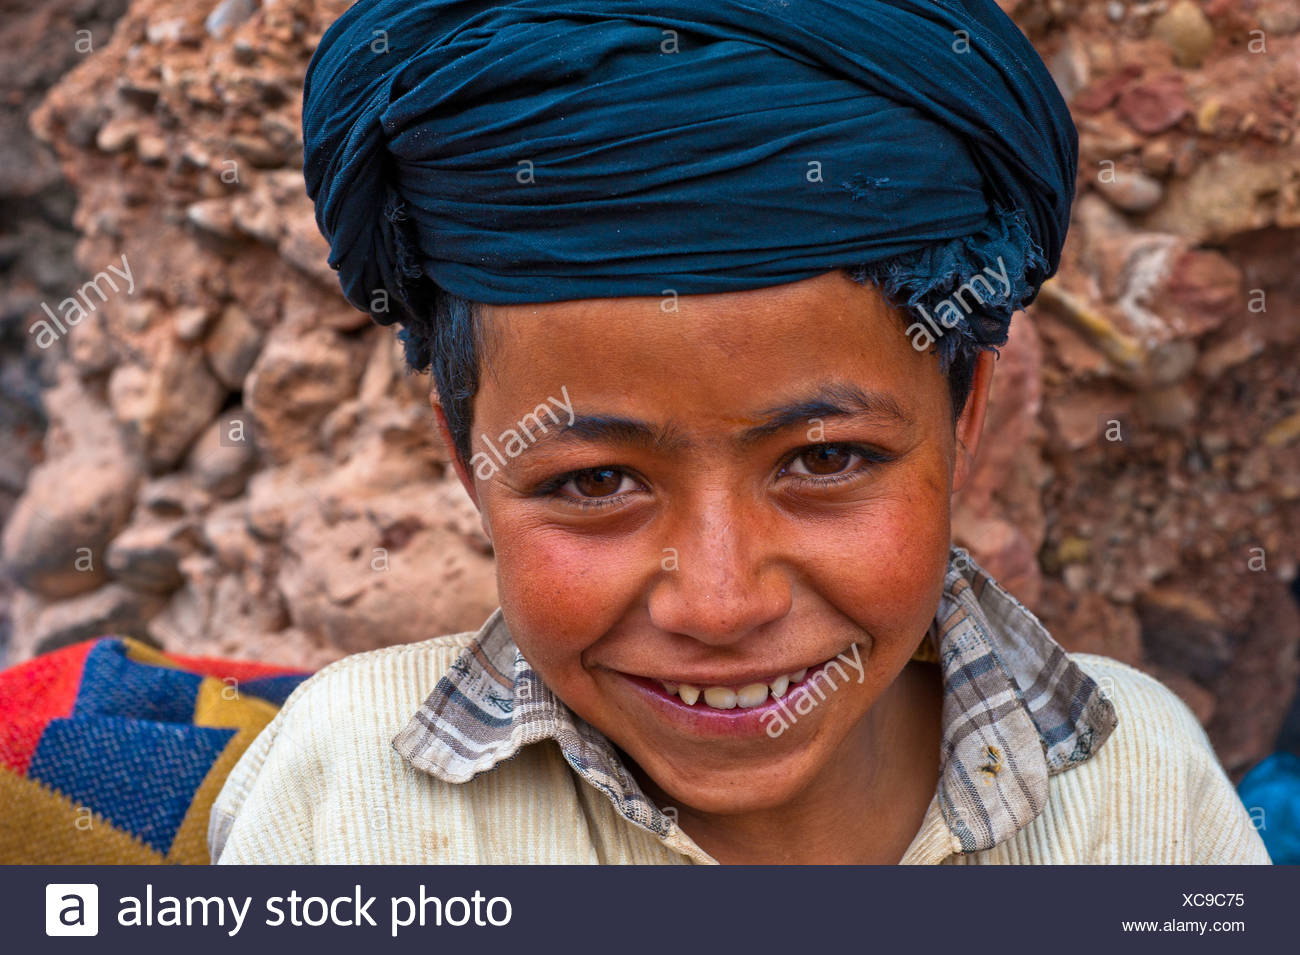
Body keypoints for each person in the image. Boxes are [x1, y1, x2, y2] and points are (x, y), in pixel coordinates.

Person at [209, 0, 1269, 864]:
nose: (719, 603)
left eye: (822, 460)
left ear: (965, 418)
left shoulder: (1137, 796)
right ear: (467, 456)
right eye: (595, 482)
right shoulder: (350, 802)